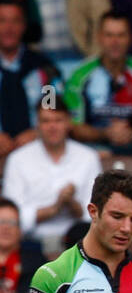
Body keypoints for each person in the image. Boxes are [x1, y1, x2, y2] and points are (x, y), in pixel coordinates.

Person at [64, 10, 132, 173]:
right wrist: (105, 134)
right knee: (97, 157)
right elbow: (74, 126)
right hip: (96, 142)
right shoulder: (80, 76)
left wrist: (131, 135)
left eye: (121, 35)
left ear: (130, 38)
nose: (115, 42)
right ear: (99, 38)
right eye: (109, 35)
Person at [2, 97, 100, 255]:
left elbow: (95, 215)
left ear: (69, 123)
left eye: (58, 120)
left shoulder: (88, 157)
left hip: (77, 243)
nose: (52, 127)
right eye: (46, 121)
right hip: (30, 243)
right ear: (37, 125)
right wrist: (53, 209)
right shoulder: (18, 159)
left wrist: (70, 203)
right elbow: (11, 216)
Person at [0, 0, 61, 161]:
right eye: (2, 21)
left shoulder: (44, 70)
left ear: (24, 26)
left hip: (37, 153)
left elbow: (54, 111)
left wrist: (37, 132)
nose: (9, 28)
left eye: (15, 21)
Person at [0, 197, 41, 293]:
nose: (6, 227)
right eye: (1, 222)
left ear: (20, 230)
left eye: (12, 222)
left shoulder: (38, 265)